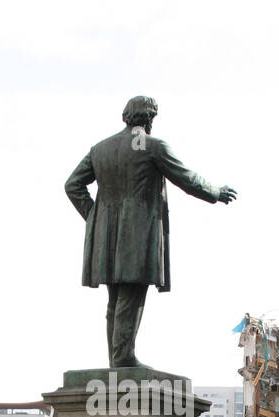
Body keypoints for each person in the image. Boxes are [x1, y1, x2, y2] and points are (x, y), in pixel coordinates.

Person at [65, 96, 237, 368]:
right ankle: (122, 358)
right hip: (137, 231)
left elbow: (72, 185)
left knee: (116, 298)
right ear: (150, 118)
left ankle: (118, 358)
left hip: (106, 238)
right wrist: (216, 192)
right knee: (130, 295)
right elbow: (187, 179)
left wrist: (95, 218)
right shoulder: (152, 146)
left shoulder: (100, 149)